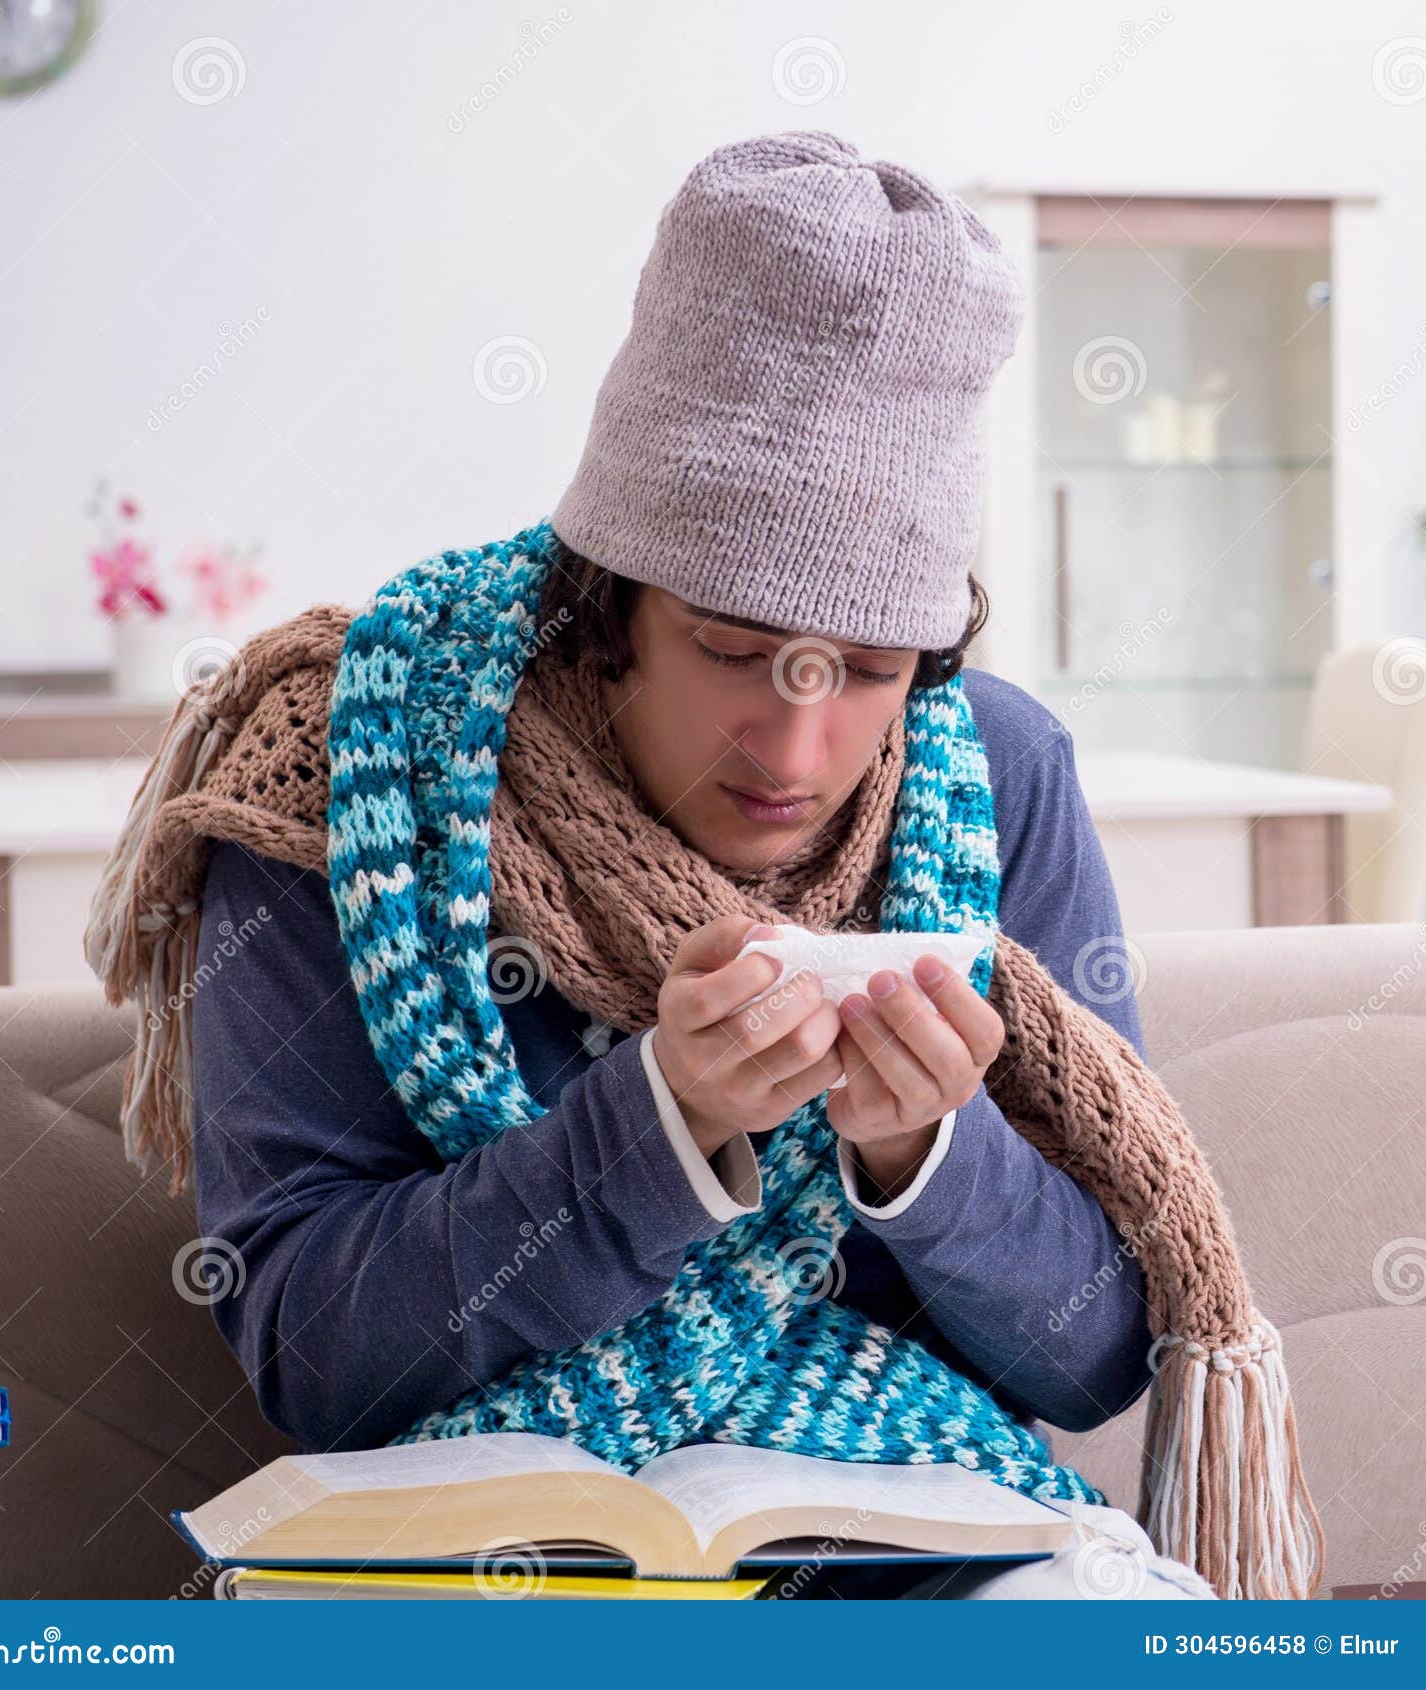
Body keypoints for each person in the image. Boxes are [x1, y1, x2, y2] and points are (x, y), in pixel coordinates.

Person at [168, 132, 1221, 1599]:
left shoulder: (998, 772)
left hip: (911, 1551)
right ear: (604, 603)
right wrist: (652, 1130)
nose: (795, 747)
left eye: (862, 669)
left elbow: (1099, 1351)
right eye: (730, 649)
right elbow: (315, 1360)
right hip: (474, 1565)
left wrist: (929, 1156)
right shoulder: (353, 768)